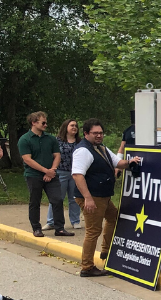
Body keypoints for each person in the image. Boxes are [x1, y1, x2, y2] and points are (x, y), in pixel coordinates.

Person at [72, 119, 141, 277]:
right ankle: (87, 267)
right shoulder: (83, 151)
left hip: (102, 196)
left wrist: (130, 162)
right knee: (93, 231)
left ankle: (106, 250)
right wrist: (88, 198)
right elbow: (77, 175)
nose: (99, 136)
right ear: (86, 134)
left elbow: (118, 162)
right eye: (95, 133)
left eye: (101, 133)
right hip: (93, 197)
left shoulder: (101, 148)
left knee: (113, 217)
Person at [18, 111, 73, 238]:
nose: (45, 125)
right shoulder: (24, 139)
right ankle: (36, 228)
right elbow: (27, 159)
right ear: (34, 122)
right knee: (35, 201)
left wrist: (52, 170)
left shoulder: (50, 139)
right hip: (33, 175)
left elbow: (57, 155)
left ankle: (59, 228)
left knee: (57, 199)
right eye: (43, 123)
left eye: (46, 122)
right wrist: (45, 170)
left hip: (51, 174)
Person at [44, 119, 83, 231]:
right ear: (66, 127)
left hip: (75, 173)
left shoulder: (80, 142)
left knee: (74, 198)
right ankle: (51, 221)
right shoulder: (57, 141)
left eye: (76, 126)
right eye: (72, 125)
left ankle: (75, 221)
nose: (74, 127)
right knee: (57, 198)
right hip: (60, 172)